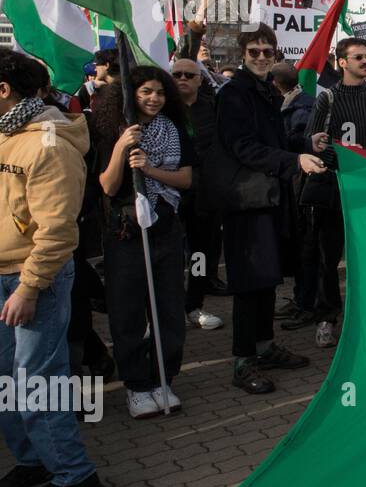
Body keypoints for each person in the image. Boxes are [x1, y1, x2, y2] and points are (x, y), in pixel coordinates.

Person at [0, 51, 105, 487]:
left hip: (32, 279)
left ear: (4, 90)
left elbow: (58, 231)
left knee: (38, 381)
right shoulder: (8, 135)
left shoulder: (49, 144)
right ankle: (33, 461)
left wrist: (29, 286)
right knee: (8, 381)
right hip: (5, 274)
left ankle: (75, 476)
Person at [207, 25, 324, 395]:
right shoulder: (235, 94)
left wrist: (306, 142)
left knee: (268, 277)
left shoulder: (265, 91)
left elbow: (270, 142)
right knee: (248, 283)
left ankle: (263, 345)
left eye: (266, 52)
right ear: (242, 54)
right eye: (254, 51)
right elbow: (244, 149)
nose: (261, 57)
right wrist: (294, 160)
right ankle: (243, 360)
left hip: (269, 198)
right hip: (246, 201)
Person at [92, 67, 194, 418]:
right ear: (130, 94)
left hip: (166, 227)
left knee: (168, 307)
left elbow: (184, 178)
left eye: (160, 92)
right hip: (125, 233)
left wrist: (150, 169)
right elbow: (107, 185)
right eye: (145, 92)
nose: (154, 99)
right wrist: (122, 148)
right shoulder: (111, 130)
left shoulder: (173, 130)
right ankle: (136, 385)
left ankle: (163, 377)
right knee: (129, 311)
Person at [295, 38, 366, 346]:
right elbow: (313, 141)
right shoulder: (327, 98)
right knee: (330, 257)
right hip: (334, 187)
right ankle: (326, 316)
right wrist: (341, 162)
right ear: (342, 62)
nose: (365, 62)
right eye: (358, 58)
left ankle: (365, 314)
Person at [172, 56, 224, 333]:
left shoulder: (212, 107)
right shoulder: (165, 110)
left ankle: (194, 304)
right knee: (170, 256)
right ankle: (168, 308)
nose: (182, 79)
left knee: (201, 255)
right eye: (177, 74)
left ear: (200, 80)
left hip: (204, 195)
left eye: (189, 75)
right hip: (170, 194)